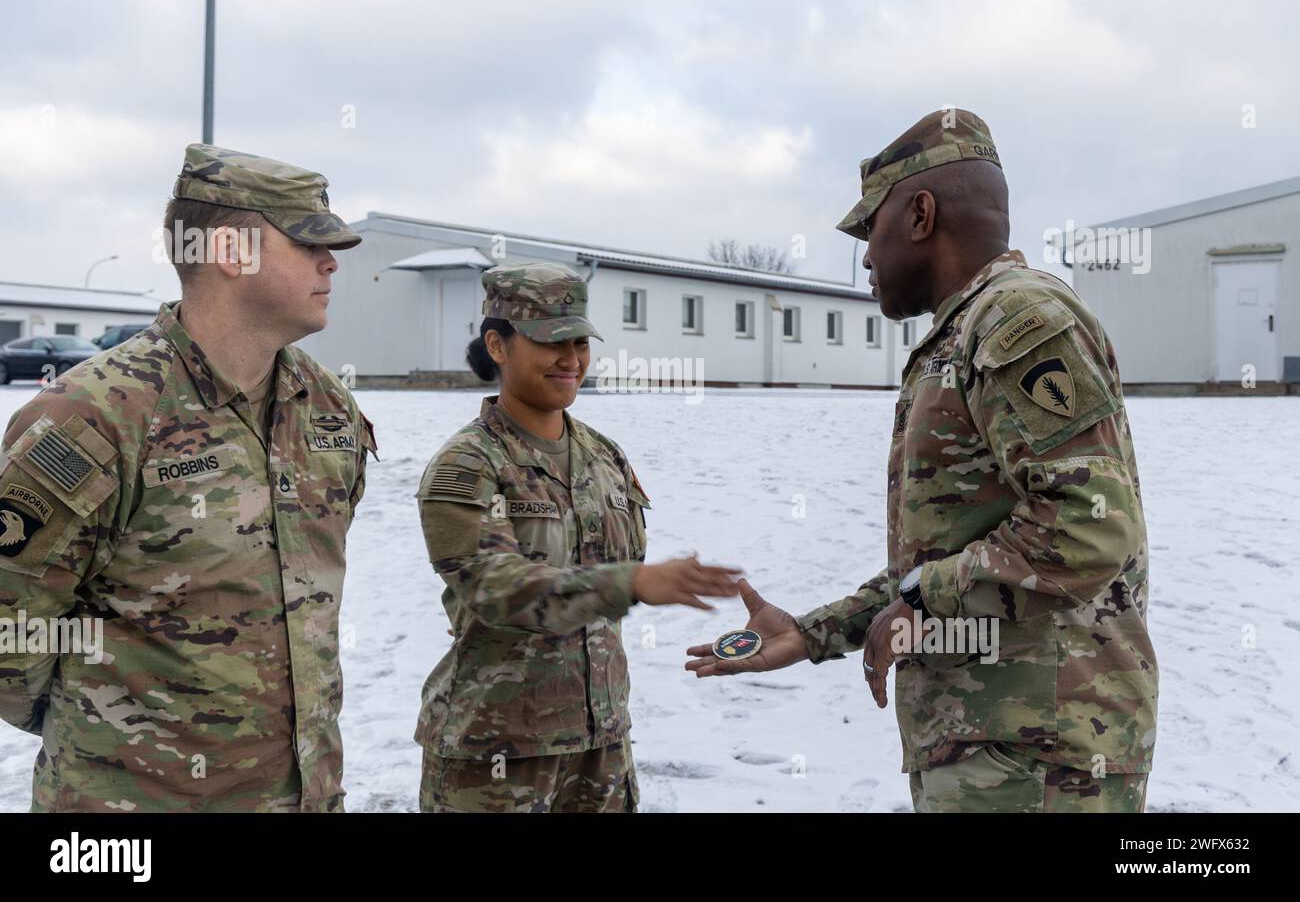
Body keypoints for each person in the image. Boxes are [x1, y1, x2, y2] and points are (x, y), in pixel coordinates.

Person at [686, 109, 1157, 813]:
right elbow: (958, 558)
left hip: (1041, 758)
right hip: (997, 747)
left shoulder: (1019, 324)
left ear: (920, 215)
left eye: (868, 232)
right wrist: (815, 632)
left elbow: (1088, 529)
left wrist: (921, 595)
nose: (868, 258)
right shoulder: (963, 334)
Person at [0, 144, 376, 811]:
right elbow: (11, 630)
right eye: (307, 243)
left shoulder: (329, 408)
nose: (331, 262)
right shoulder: (95, 415)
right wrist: (107, 732)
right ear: (232, 252)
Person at [415, 261, 742, 812]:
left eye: (579, 341)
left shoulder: (604, 455)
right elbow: (496, 587)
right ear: (497, 344)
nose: (572, 359)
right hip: (496, 752)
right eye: (551, 343)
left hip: (601, 744)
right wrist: (632, 581)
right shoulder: (467, 464)